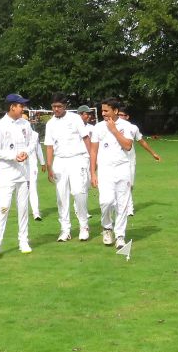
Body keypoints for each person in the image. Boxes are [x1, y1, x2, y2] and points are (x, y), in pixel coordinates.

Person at [90, 99, 140, 252]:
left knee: (122, 203)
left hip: (122, 168)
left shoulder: (128, 127)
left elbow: (127, 145)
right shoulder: (98, 128)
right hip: (105, 170)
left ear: (116, 111)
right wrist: (92, 172)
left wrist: (114, 130)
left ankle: (120, 235)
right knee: (106, 201)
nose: (103, 113)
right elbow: (93, 151)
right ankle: (106, 227)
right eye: (102, 111)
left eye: (106, 110)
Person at [0, 93, 33, 257]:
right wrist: (13, 156)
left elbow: (31, 143)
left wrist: (26, 153)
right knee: (3, 207)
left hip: (23, 172)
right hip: (6, 172)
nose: (23, 108)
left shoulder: (25, 124)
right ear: (12, 107)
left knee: (23, 208)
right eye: (20, 105)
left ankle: (24, 241)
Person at [44, 94, 91, 242]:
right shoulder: (50, 123)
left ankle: (84, 226)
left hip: (77, 158)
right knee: (61, 196)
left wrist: (91, 159)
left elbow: (86, 138)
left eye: (59, 106)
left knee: (78, 192)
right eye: (54, 107)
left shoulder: (75, 118)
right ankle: (65, 230)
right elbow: (49, 146)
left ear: (65, 106)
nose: (56, 109)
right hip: (60, 161)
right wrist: (49, 166)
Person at [117, 105, 161, 216]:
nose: (120, 117)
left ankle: (129, 207)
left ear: (127, 117)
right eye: (119, 115)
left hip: (130, 161)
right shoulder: (112, 127)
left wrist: (153, 153)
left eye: (122, 115)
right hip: (116, 161)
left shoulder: (133, 128)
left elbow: (141, 141)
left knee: (129, 185)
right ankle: (125, 207)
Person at [24, 110, 44, 221]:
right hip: (19, 166)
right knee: (21, 190)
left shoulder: (34, 135)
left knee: (33, 188)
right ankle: (23, 211)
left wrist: (42, 162)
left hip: (32, 166)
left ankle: (36, 212)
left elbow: (38, 149)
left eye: (26, 120)